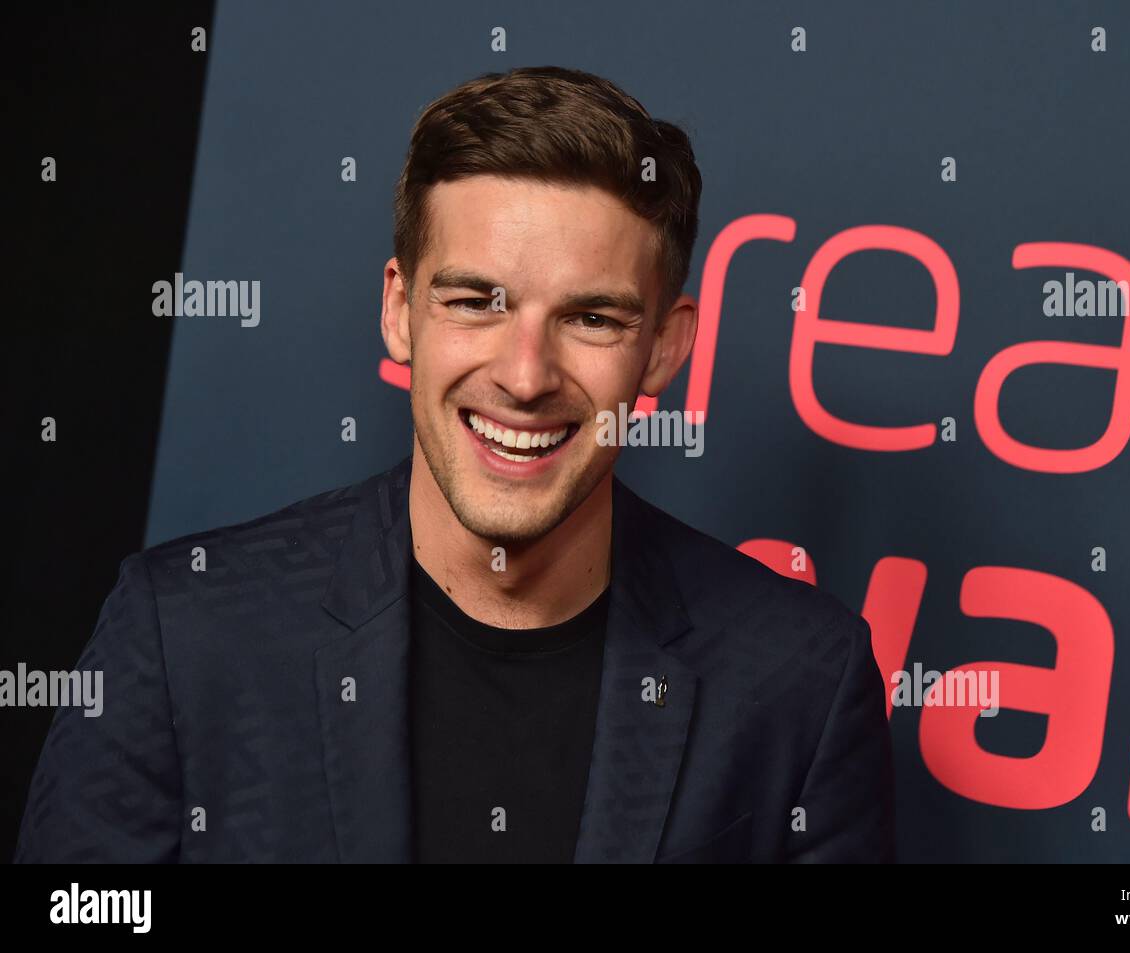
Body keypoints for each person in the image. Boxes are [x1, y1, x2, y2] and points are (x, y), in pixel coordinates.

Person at [16, 66, 894, 863]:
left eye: (592, 318)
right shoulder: (182, 633)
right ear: (400, 312)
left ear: (664, 348)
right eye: (475, 301)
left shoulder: (800, 682)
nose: (524, 375)